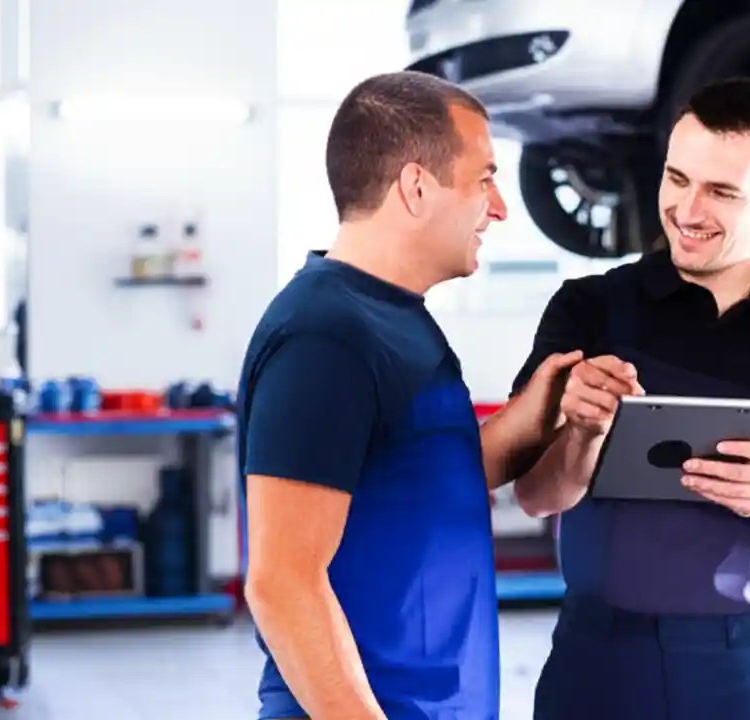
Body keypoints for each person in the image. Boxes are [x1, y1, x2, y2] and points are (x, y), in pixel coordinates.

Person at [510, 78, 750, 719]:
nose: (688, 209)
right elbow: (533, 496)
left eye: (721, 192)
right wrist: (581, 435)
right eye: (677, 179)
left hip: (746, 668)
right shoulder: (587, 310)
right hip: (598, 662)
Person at [236, 71, 581, 720]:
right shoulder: (326, 337)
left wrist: (543, 412)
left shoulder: (397, 321)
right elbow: (281, 582)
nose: (501, 207)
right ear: (417, 186)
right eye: (484, 179)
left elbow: (427, 479)